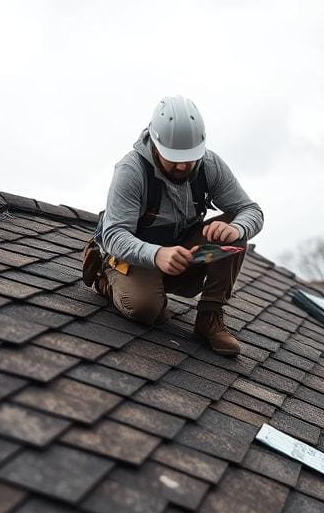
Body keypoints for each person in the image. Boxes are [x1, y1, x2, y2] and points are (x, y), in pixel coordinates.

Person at [82, 95, 263, 356]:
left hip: (181, 255)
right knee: (145, 309)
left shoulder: (209, 166)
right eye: (173, 157)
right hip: (133, 255)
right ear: (156, 144)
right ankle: (106, 278)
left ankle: (209, 317)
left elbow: (251, 211)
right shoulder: (131, 170)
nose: (182, 165)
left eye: (189, 158)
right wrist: (155, 254)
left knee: (234, 235)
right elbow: (113, 235)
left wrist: (237, 229)